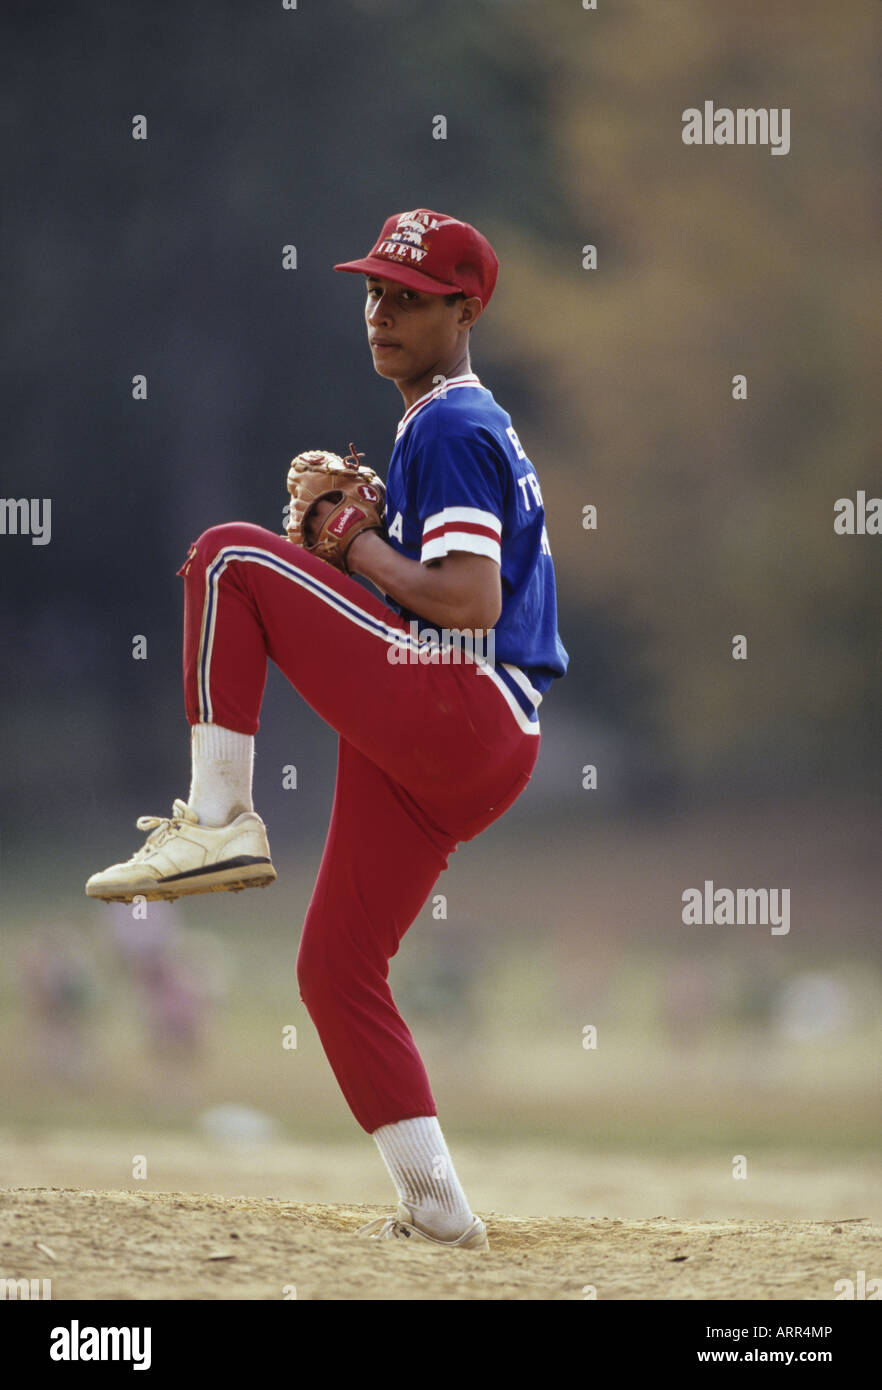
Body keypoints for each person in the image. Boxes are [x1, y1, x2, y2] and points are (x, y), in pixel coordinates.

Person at [86, 208, 569, 1249]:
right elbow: (444, 579)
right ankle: (439, 1208)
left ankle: (218, 818)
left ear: (465, 308)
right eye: (373, 290)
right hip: (476, 745)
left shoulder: (447, 417)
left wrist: (349, 546)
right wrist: (366, 520)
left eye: (409, 295)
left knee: (227, 557)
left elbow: (470, 598)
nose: (381, 311)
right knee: (336, 970)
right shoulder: (451, 422)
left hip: (461, 695)